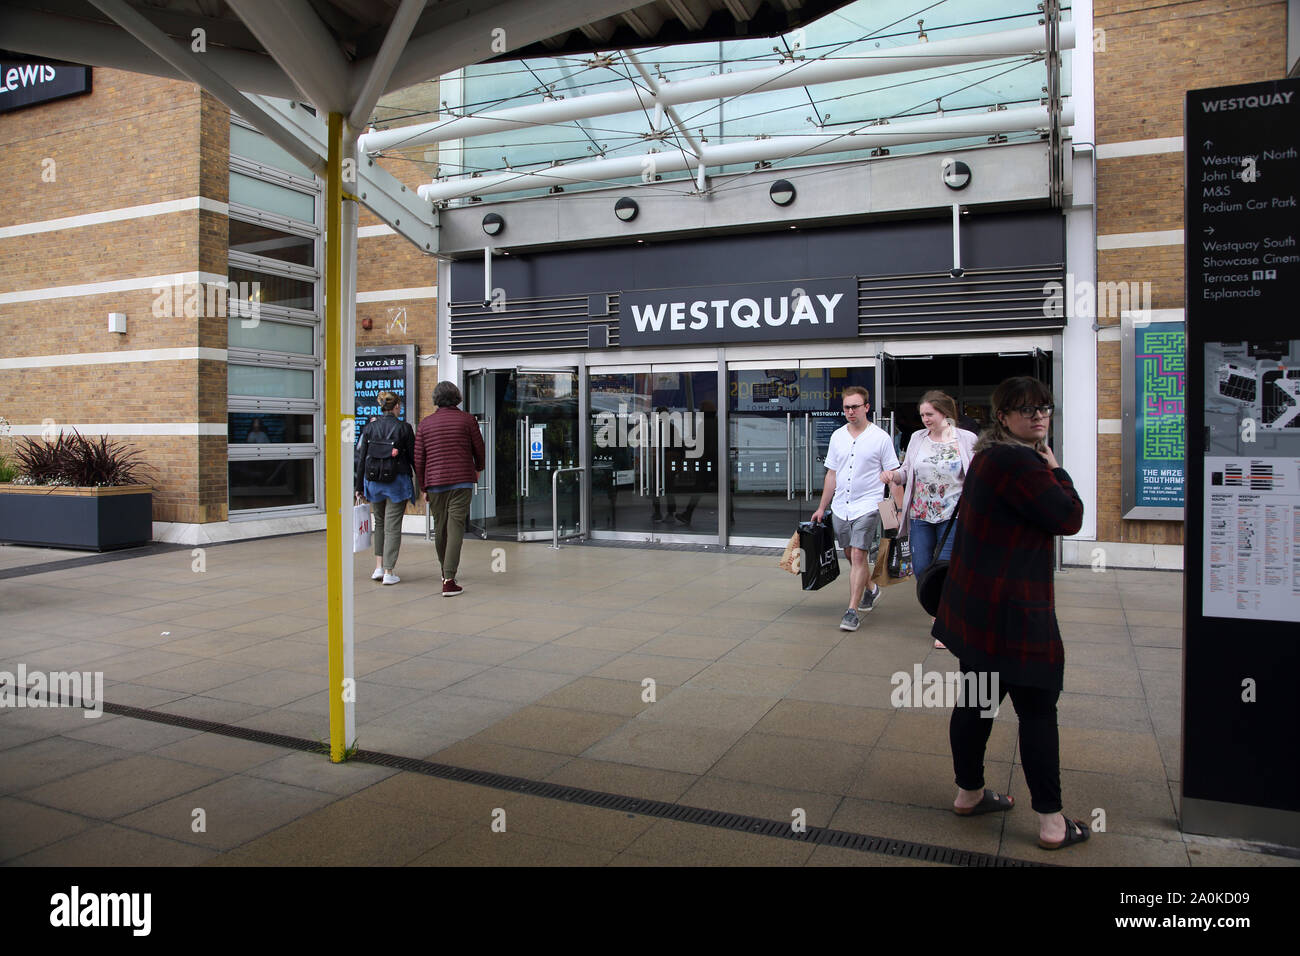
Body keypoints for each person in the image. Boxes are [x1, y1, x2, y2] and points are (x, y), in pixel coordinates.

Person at [933, 376, 1090, 851]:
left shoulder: (985, 456)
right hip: (1018, 614)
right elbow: (1069, 517)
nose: (1038, 416)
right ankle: (1052, 825)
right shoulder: (1023, 462)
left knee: (978, 701)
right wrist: (1057, 469)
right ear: (1004, 416)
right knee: (1038, 712)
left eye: (1044, 407)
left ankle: (969, 793)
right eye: (1026, 410)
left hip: (978, 610)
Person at [881, 390, 977, 649]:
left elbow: (979, 474)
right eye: (922, 414)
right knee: (923, 568)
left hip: (953, 514)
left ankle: (945, 621)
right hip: (920, 513)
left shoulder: (966, 439)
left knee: (945, 569)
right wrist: (893, 476)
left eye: (929, 414)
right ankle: (939, 610)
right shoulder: (917, 438)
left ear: (944, 413)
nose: (925, 419)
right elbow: (906, 471)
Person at [811, 385, 899, 631]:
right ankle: (871, 588)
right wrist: (822, 507)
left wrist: (898, 511)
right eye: (847, 407)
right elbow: (832, 474)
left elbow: (893, 473)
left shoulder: (880, 437)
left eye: (855, 406)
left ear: (866, 407)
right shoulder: (837, 436)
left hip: (868, 505)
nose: (850, 411)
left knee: (859, 554)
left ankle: (851, 610)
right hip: (841, 506)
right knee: (850, 554)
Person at [415, 380, 485, 597]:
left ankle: (444, 571)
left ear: (436, 399)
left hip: (435, 483)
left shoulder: (425, 424)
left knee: (441, 526)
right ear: (457, 397)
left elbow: (419, 459)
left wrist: (423, 486)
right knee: (455, 528)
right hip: (462, 480)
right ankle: (449, 578)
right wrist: (478, 468)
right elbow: (479, 448)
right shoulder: (467, 420)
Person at [354, 391, 416, 585]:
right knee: (392, 526)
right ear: (396, 406)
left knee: (379, 523)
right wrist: (423, 481)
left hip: (373, 482)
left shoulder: (370, 428)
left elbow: (362, 458)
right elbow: (414, 457)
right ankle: (389, 571)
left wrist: (358, 487)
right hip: (397, 482)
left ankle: (379, 567)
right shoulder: (404, 428)